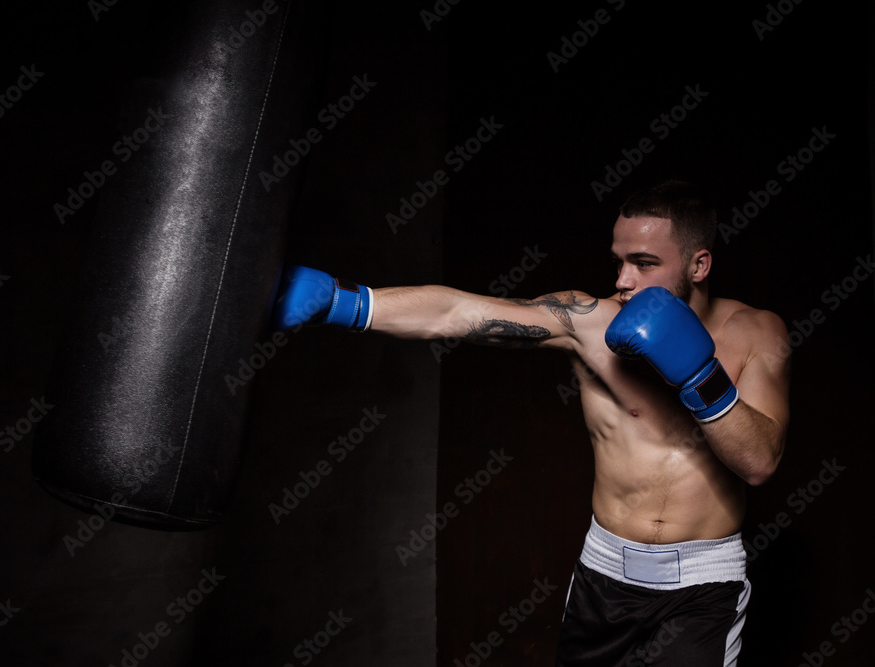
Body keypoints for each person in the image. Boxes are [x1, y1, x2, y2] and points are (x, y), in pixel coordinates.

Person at [270, 180, 791, 666]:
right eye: (618, 262)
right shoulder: (589, 321)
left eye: (644, 263)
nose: (622, 281)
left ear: (699, 264)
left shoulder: (756, 332)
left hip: (703, 586)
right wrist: (344, 301)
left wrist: (699, 374)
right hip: (605, 575)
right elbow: (459, 313)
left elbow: (760, 463)